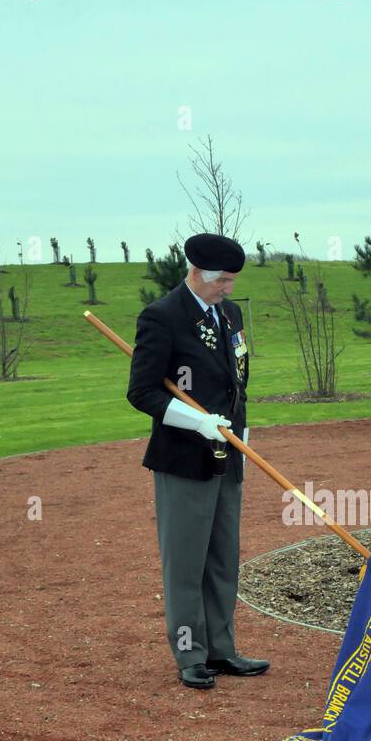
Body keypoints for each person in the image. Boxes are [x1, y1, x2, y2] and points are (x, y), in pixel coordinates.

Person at [127, 233, 269, 689]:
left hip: (229, 455)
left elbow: (237, 380)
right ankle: (191, 653)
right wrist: (196, 422)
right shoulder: (163, 317)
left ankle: (222, 649)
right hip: (184, 458)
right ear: (197, 273)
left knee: (223, 557)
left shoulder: (231, 313)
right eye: (222, 280)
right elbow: (143, 392)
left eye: (232, 281)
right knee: (187, 561)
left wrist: (240, 427)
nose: (228, 288)